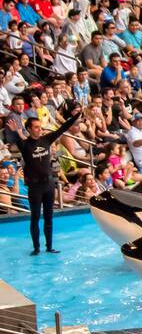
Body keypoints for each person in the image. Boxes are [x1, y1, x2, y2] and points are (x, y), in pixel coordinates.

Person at [16, 107, 82, 255]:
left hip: (48, 185)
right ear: (29, 129)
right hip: (35, 187)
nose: (40, 129)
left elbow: (63, 128)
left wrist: (76, 115)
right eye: (36, 127)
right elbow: (16, 139)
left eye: (40, 127)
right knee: (35, 218)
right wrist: (15, 131)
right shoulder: (25, 146)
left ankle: (49, 246)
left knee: (49, 217)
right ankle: (36, 248)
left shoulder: (46, 139)